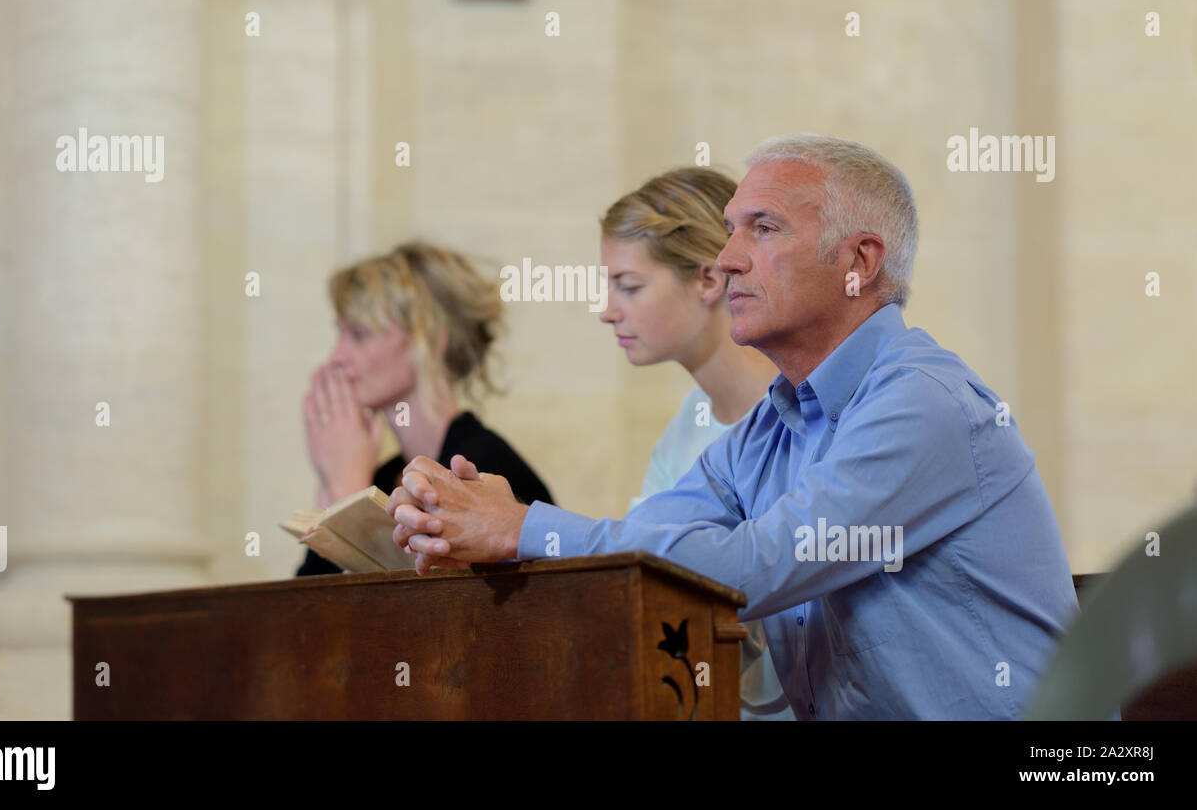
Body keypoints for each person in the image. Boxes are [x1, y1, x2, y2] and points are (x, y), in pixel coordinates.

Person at [387, 133, 1081, 719]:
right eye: (730, 230)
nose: (727, 258)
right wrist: (475, 532)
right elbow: (648, 549)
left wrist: (520, 527)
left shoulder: (922, 404)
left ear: (860, 263)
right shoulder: (771, 423)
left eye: (764, 228)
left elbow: (754, 565)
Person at [598, 168, 792, 720]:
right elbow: (641, 557)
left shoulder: (799, 411)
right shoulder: (690, 419)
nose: (608, 310)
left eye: (629, 287)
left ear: (709, 280)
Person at [296, 241, 553, 576]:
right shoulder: (383, 476)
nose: (337, 357)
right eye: (340, 335)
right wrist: (332, 487)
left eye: (358, 335)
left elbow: (423, 616)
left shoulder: (483, 468)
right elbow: (307, 612)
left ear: (429, 342)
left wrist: (347, 489)